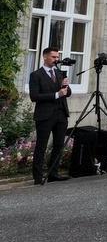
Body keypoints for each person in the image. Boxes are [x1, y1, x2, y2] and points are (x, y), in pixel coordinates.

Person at [29, 48, 71, 184]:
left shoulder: (59, 73)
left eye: (57, 57)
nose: (56, 59)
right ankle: (38, 177)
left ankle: (54, 173)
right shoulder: (36, 75)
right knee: (41, 146)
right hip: (45, 116)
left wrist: (66, 87)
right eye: (53, 57)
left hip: (61, 114)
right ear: (45, 57)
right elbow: (34, 96)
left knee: (59, 145)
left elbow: (67, 93)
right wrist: (56, 95)